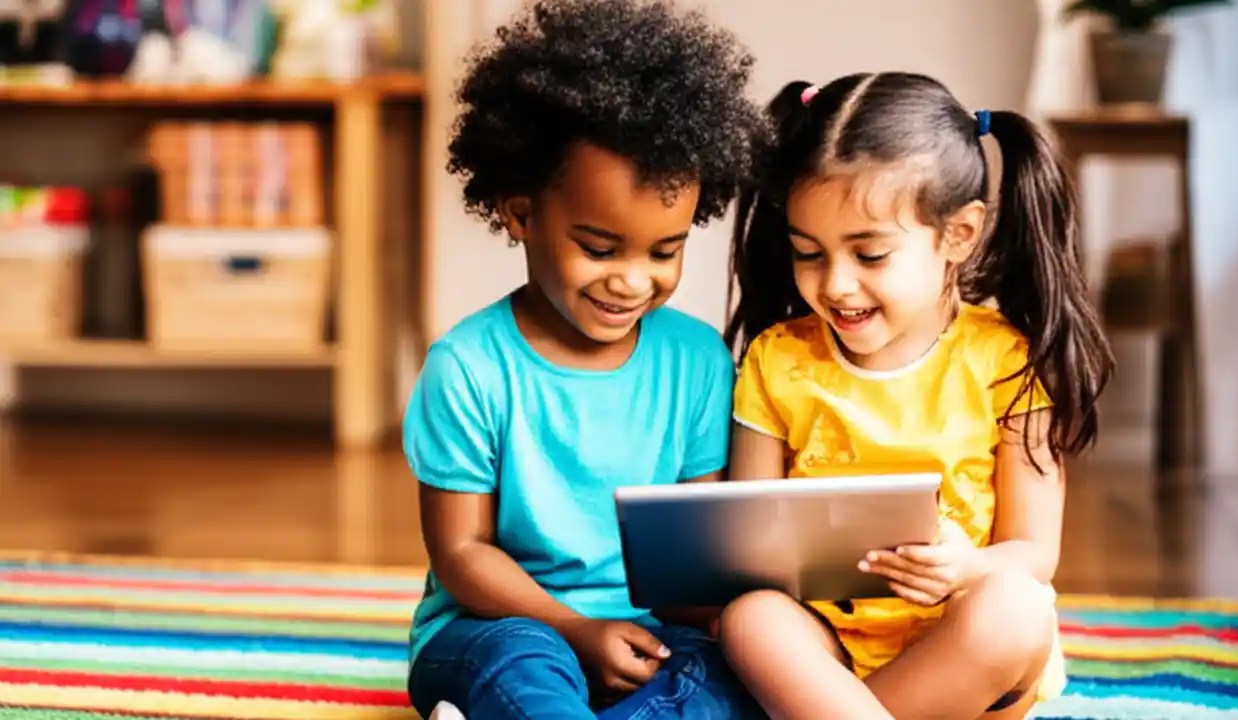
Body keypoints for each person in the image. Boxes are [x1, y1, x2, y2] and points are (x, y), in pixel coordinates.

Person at [401, 1, 768, 718]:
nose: (633, 280)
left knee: (730, 678)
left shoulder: (697, 362)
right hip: (492, 625)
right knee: (522, 665)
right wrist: (575, 629)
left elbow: (693, 559)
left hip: (651, 632)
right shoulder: (470, 367)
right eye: (599, 248)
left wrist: (733, 620)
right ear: (520, 214)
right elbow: (462, 555)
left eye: (665, 250)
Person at [718, 72, 1115, 720]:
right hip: (830, 660)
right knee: (750, 617)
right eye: (808, 253)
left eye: (870, 255)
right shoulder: (777, 360)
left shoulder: (1005, 360)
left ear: (958, 235)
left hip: (964, 659)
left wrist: (964, 569)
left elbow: (1034, 553)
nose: (837, 285)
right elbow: (753, 552)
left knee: (1014, 606)